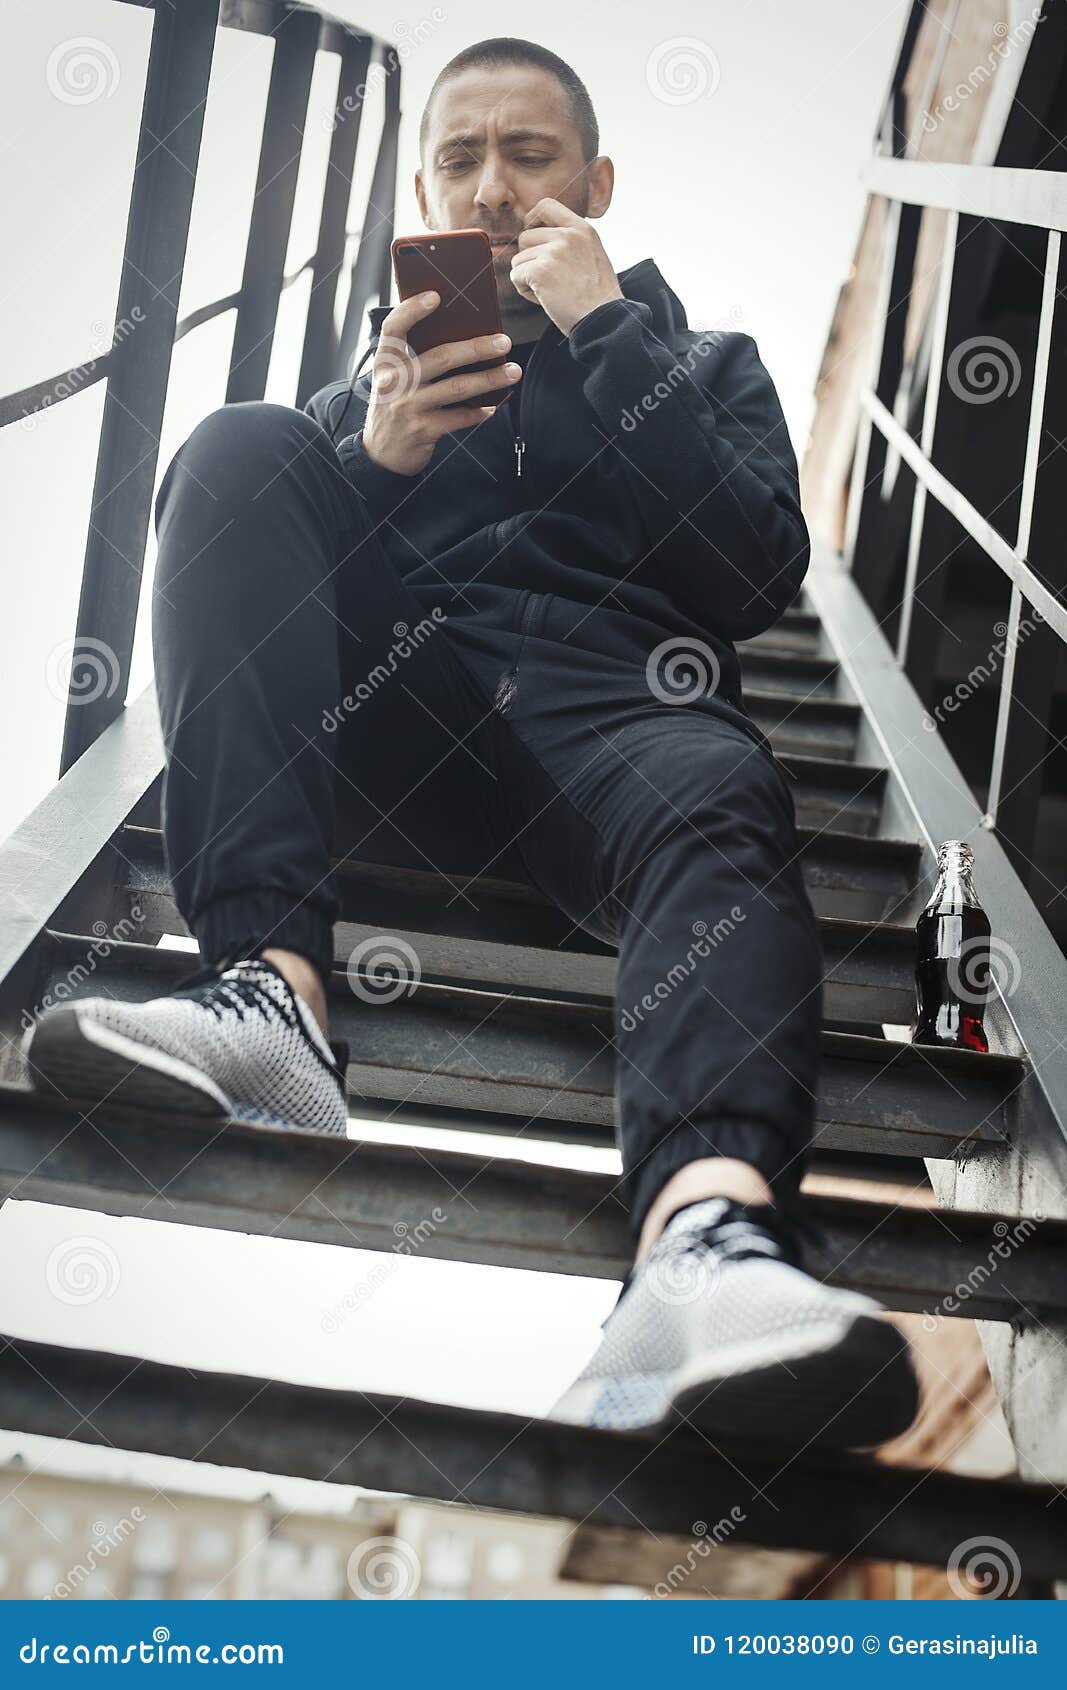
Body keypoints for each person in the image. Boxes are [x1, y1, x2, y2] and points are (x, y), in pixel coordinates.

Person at [24, 38, 917, 1449]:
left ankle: (705, 1248)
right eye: (459, 159)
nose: (491, 189)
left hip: (615, 718)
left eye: (529, 154)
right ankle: (268, 993)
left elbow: (752, 572)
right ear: (421, 187)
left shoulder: (699, 363)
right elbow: (253, 559)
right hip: (404, 716)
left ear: (597, 180)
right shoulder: (374, 379)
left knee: (721, 777)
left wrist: (610, 336)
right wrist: (371, 464)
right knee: (240, 448)